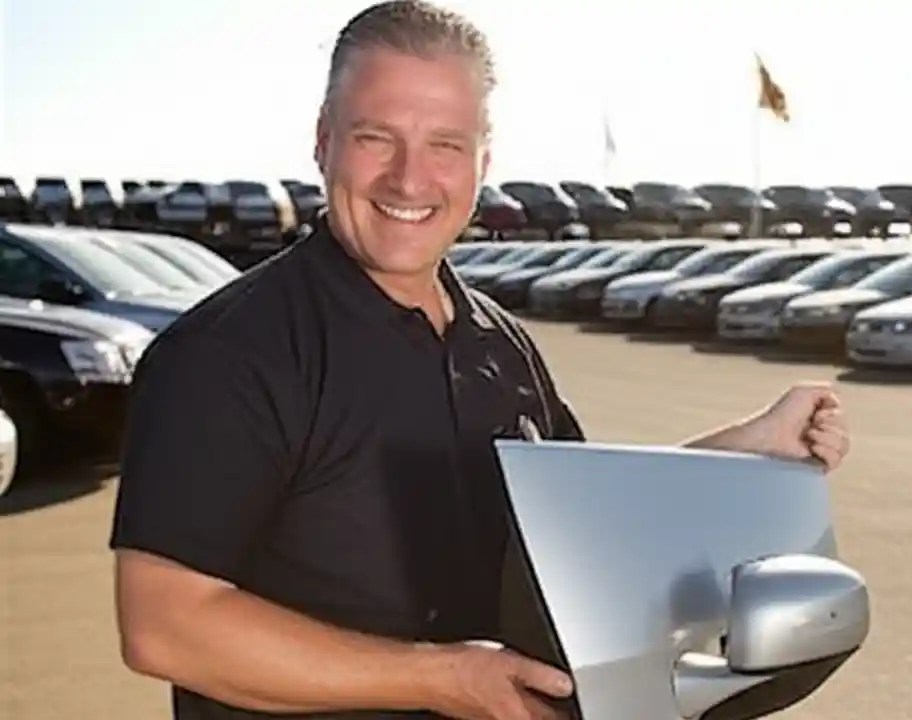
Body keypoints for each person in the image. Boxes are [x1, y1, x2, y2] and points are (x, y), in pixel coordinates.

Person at [108, 2, 850, 719]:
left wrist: (754, 445)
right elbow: (165, 624)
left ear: (482, 162)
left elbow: (587, 519)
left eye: (445, 145)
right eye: (376, 137)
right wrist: (441, 678)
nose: (408, 179)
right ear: (323, 140)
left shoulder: (500, 341)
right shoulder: (229, 354)